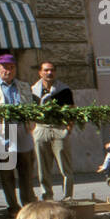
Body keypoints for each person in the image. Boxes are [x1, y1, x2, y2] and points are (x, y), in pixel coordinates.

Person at [0, 53, 36, 217]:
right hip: (1, 133)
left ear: (15, 69)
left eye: (11, 67)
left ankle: (28, 204)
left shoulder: (24, 86)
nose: (8, 71)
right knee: (7, 171)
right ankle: (13, 206)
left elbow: (31, 107)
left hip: (22, 131)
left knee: (26, 170)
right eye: (5, 67)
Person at [31, 61, 76, 200]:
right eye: (46, 70)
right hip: (41, 129)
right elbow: (29, 111)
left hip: (58, 129)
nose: (49, 73)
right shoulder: (32, 90)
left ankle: (67, 197)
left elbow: (72, 110)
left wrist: (68, 129)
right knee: (43, 167)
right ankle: (47, 196)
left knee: (65, 167)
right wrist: (33, 129)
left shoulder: (64, 90)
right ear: (40, 72)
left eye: (52, 70)